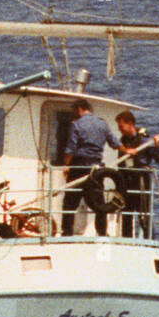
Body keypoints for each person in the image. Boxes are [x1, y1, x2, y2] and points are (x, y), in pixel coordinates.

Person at [62, 100, 114, 236]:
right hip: (96, 168)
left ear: (79, 109)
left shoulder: (76, 125)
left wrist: (66, 165)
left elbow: (70, 149)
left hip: (79, 167)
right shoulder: (102, 124)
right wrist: (128, 150)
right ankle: (102, 232)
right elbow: (114, 143)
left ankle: (67, 232)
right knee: (99, 204)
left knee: (69, 202)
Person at [114, 110, 159, 238]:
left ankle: (150, 242)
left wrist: (157, 146)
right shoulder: (123, 141)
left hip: (141, 181)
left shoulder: (143, 140)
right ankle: (127, 242)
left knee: (144, 215)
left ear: (130, 124)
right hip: (126, 180)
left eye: (121, 127)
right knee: (126, 214)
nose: (120, 130)